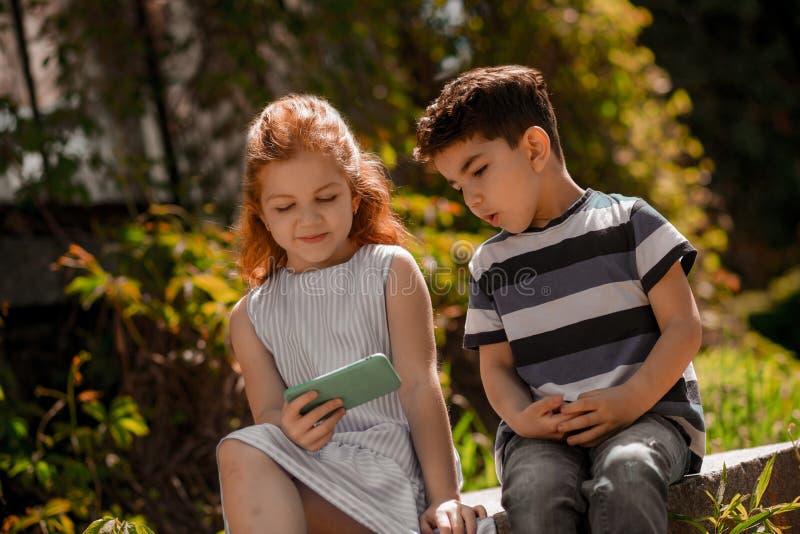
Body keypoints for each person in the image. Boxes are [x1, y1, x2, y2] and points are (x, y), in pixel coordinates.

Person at [413, 65, 705, 533]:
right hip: (544, 438)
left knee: (628, 472)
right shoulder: (490, 264)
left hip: (647, 417)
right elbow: (497, 368)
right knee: (535, 489)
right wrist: (523, 419)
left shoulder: (629, 222)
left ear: (534, 148)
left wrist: (629, 399)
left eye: (479, 171)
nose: (472, 198)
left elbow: (684, 327)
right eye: (459, 186)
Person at [217, 94, 493, 534]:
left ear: (353, 194)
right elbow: (268, 417)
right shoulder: (250, 316)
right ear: (262, 215)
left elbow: (419, 387)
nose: (309, 219)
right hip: (312, 469)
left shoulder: (390, 271)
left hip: (388, 476)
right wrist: (290, 429)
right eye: (285, 207)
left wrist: (444, 498)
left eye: (325, 198)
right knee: (239, 450)